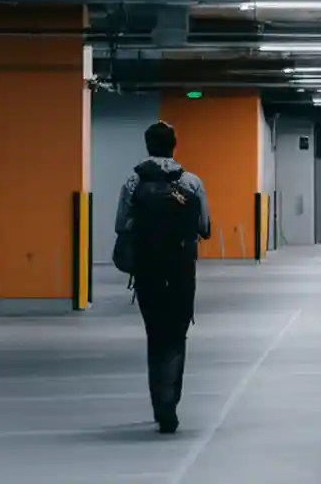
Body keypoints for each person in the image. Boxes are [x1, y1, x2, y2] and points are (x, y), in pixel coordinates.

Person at [115, 121, 210, 434]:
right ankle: (171, 402)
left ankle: (159, 403)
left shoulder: (132, 182)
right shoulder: (192, 182)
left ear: (147, 145)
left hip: (147, 270)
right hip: (181, 270)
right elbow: (204, 227)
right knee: (176, 335)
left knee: (154, 333)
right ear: (174, 144)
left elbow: (121, 226)